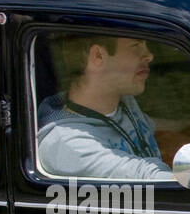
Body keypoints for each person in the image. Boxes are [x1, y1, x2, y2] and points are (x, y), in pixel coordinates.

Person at [36, 35, 174, 181]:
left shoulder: (120, 99)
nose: (149, 56)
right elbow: (149, 179)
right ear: (98, 56)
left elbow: (151, 128)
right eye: (136, 46)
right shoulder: (68, 147)